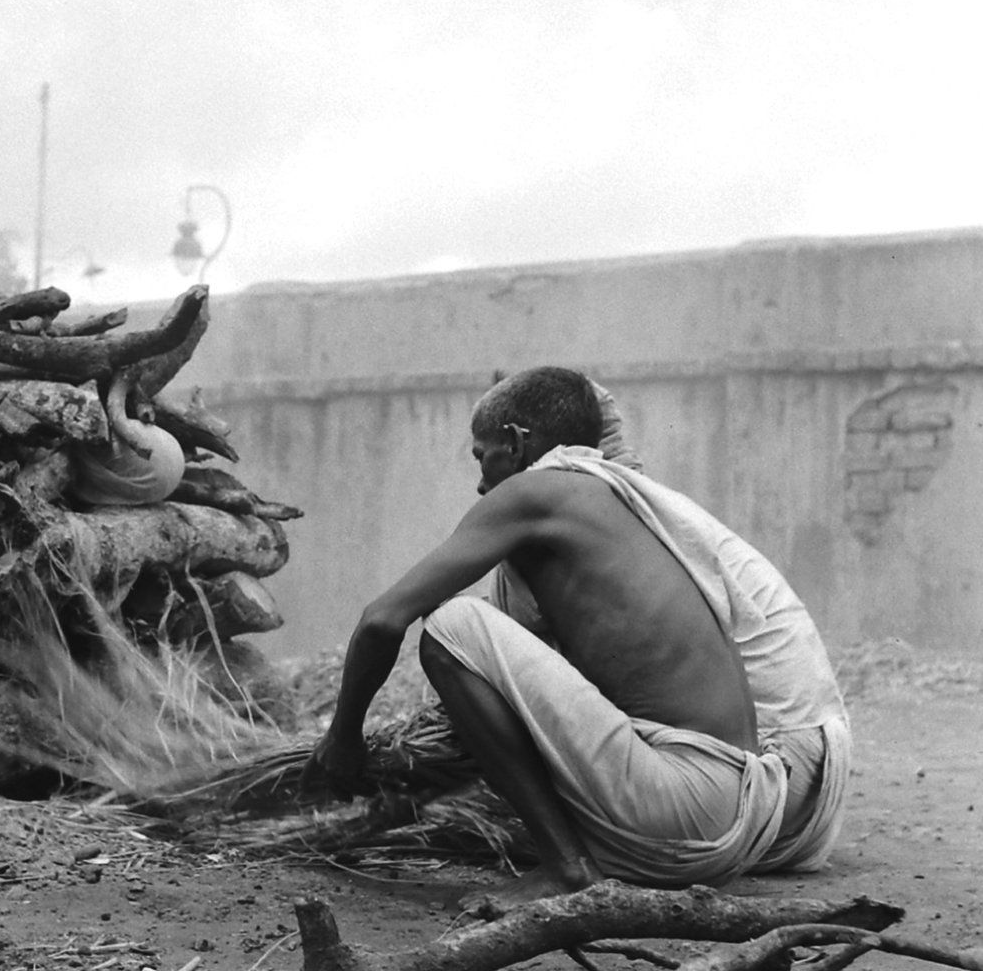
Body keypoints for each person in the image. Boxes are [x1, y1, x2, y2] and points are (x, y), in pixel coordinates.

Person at [304, 366, 849, 901]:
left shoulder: (537, 493)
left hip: (685, 809)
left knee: (451, 625)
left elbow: (382, 621)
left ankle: (566, 869)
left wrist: (343, 738)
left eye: (481, 455)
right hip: (743, 816)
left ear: (516, 444)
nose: (479, 481)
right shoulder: (623, 504)